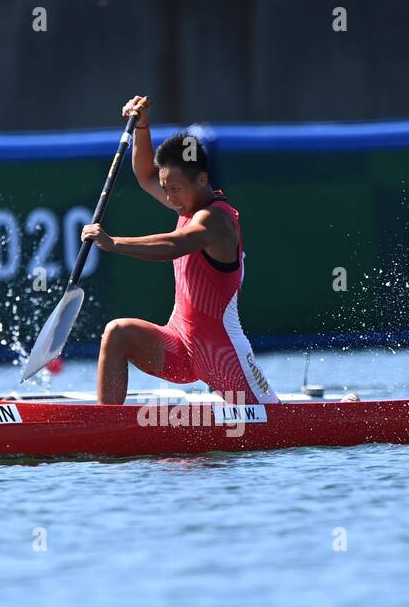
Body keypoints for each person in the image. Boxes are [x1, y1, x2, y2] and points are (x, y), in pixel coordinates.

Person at [80, 95, 279, 406]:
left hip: (221, 353)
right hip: (177, 346)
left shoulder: (217, 220)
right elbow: (146, 175)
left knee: (274, 424)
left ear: (201, 180)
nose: (169, 198)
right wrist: (142, 127)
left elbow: (175, 245)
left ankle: (346, 408)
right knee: (117, 332)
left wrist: (114, 243)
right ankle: (106, 427)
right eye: (166, 187)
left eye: (175, 188)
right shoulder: (186, 201)